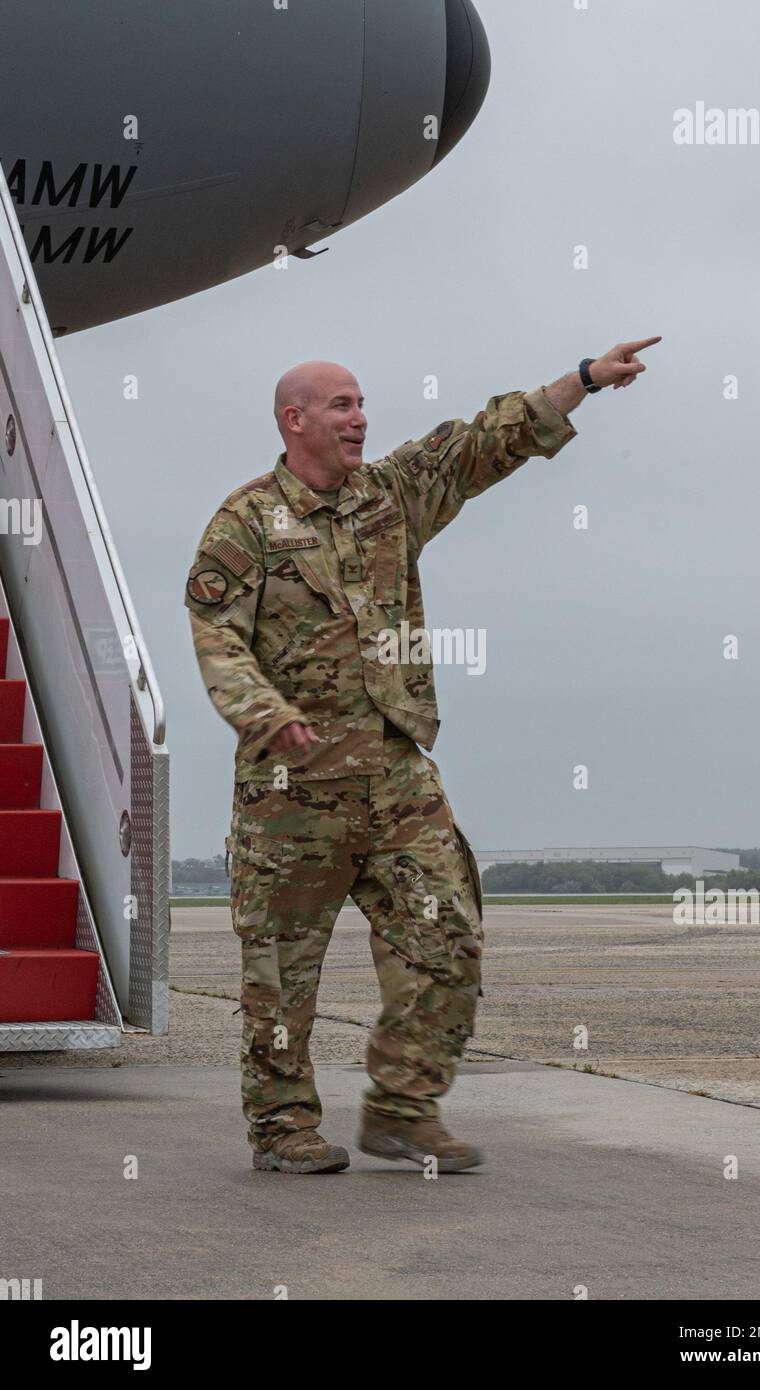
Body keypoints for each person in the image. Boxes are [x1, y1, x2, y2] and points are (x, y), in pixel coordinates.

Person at [184, 339, 661, 1174]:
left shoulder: (392, 496)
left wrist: (582, 380)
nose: (360, 417)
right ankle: (282, 1128)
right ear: (295, 421)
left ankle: (403, 1108)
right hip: (291, 791)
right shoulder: (247, 523)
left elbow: (486, 440)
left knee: (449, 940)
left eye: (362, 403)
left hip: (397, 779)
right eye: (341, 406)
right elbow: (217, 637)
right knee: (280, 979)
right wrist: (266, 714)